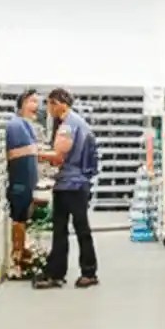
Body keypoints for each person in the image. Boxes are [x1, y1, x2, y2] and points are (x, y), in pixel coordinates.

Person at [34, 88, 99, 289]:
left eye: (50, 104)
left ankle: (78, 272)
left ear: (60, 103)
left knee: (67, 229)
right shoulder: (77, 122)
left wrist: (35, 153)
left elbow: (59, 156)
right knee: (74, 229)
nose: (48, 109)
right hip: (76, 183)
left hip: (71, 184)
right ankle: (71, 272)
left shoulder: (68, 125)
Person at [5, 89, 40, 278]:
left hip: (27, 183)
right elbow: (13, 154)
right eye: (33, 101)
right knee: (18, 220)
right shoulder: (15, 125)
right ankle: (15, 260)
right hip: (19, 182)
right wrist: (35, 150)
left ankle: (22, 254)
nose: (36, 106)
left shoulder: (26, 125)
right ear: (23, 103)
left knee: (23, 219)